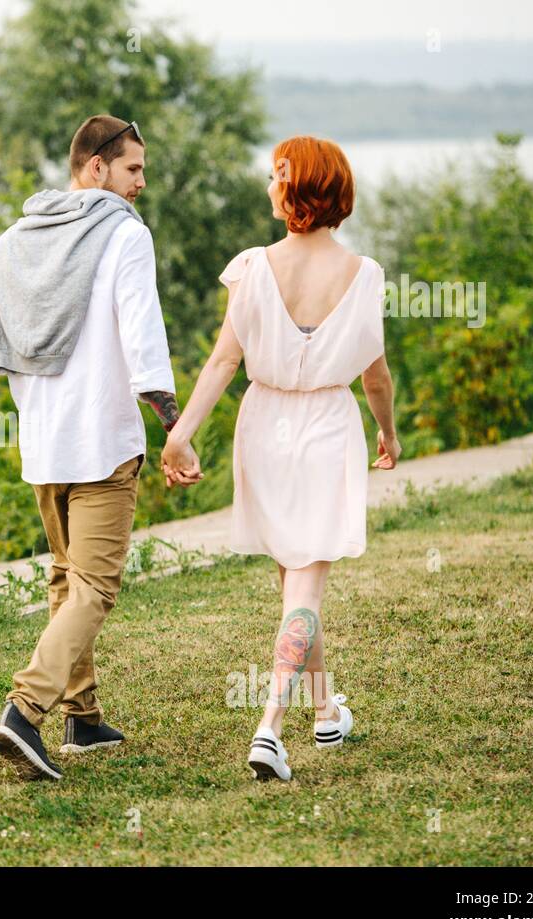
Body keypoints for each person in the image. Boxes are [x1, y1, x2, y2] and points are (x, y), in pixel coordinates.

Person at [0, 114, 198, 781]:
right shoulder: (123, 234)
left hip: (43, 450)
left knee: (65, 578)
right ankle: (24, 712)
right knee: (95, 587)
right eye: (133, 169)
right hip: (103, 443)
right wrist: (174, 424)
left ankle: (82, 717)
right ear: (95, 168)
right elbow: (143, 335)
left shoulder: (15, 243)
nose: (142, 182)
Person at [162, 135, 401, 782]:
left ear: (297, 189)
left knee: (296, 578)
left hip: (264, 426)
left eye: (277, 176)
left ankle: (326, 712)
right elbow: (375, 377)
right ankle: (269, 726)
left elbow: (223, 361)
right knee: (306, 579)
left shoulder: (252, 268)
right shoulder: (364, 274)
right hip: (327, 424)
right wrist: (388, 433)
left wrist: (182, 434)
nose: (269, 185)